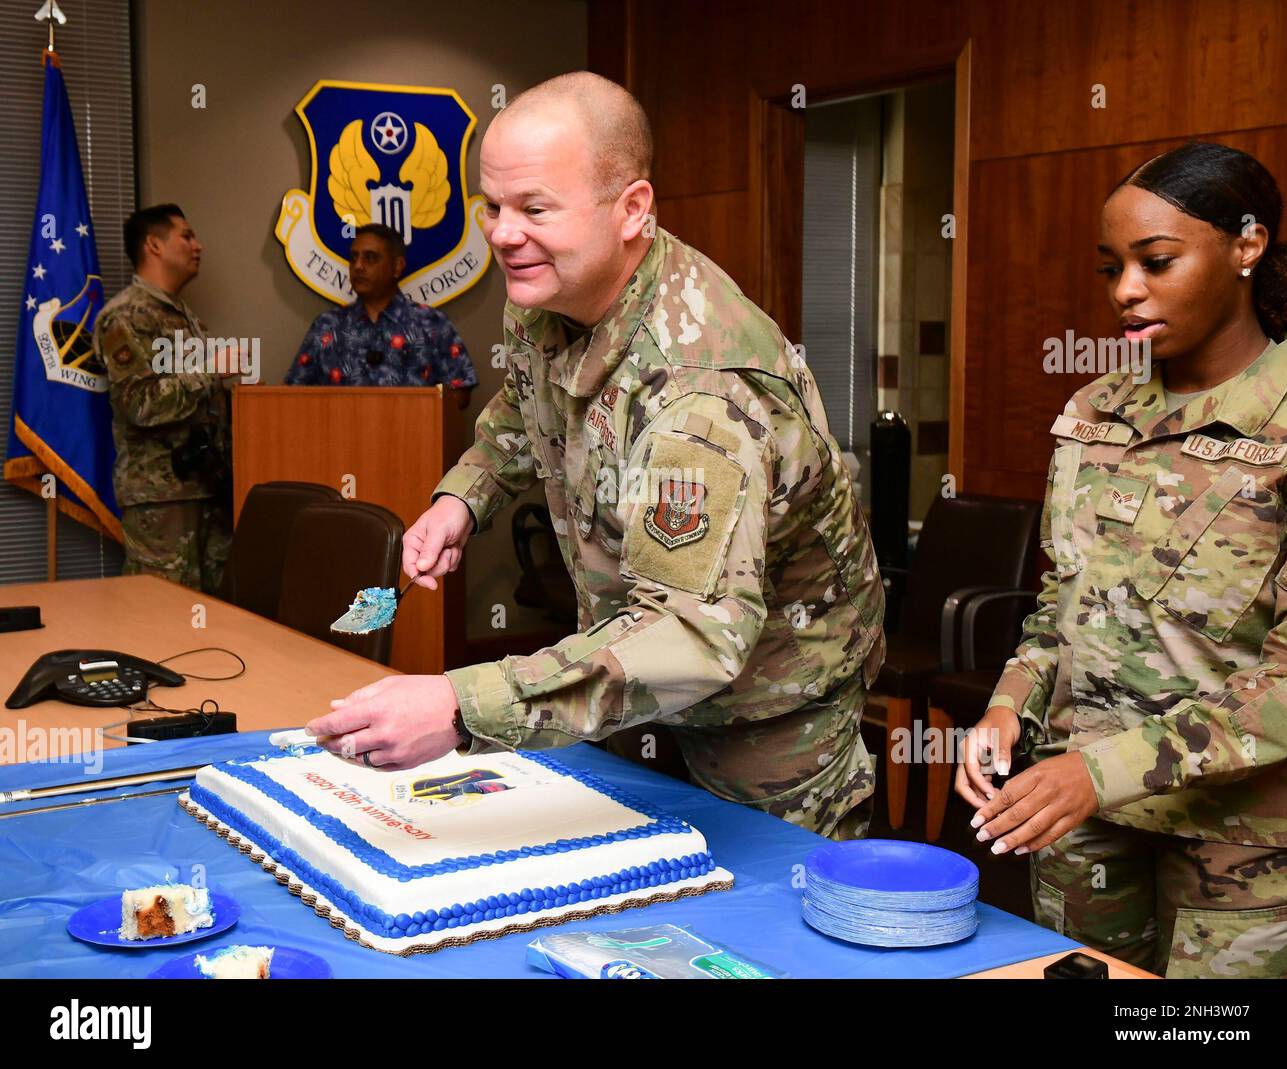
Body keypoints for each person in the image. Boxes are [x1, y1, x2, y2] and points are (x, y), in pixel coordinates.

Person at [304, 72, 886, 839]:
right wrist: (462, 499)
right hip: (629, 684)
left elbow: (691, 635)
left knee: (757, 940)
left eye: (535, 208)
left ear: (632, 210)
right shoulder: (546, 293)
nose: (504, 233)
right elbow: (524, 402)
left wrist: (457, 706)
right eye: (495, 206)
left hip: (765, 715)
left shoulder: (703, 389)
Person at [955, 141, 1287, 978]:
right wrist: (1009, 705)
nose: (1125, 291)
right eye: (1113, 267)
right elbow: (1059, 604)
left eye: (1156, 261)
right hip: (1084, 829)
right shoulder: (1095, 409)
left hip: (1240, 847)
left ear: (1246, 246)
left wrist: (1097, 771)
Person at [93, 204, 233, 594]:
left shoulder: (187, 319)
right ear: (154, 244)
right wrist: (211, 371)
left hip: (206, 489)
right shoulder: (125, 316)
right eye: (186, 236)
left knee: (216, 621)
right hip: (161, 499)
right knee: (159, 618)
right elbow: (139, 403)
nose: (198, 245)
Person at [284, 222, 476, 402]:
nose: (358, 266)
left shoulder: (431, 323)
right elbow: (294, 394)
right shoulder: (328, 325)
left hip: (412, 434)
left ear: (397, 266)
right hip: (340, 435)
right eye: (353, 257)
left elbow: (460, 394)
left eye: (370, 258)